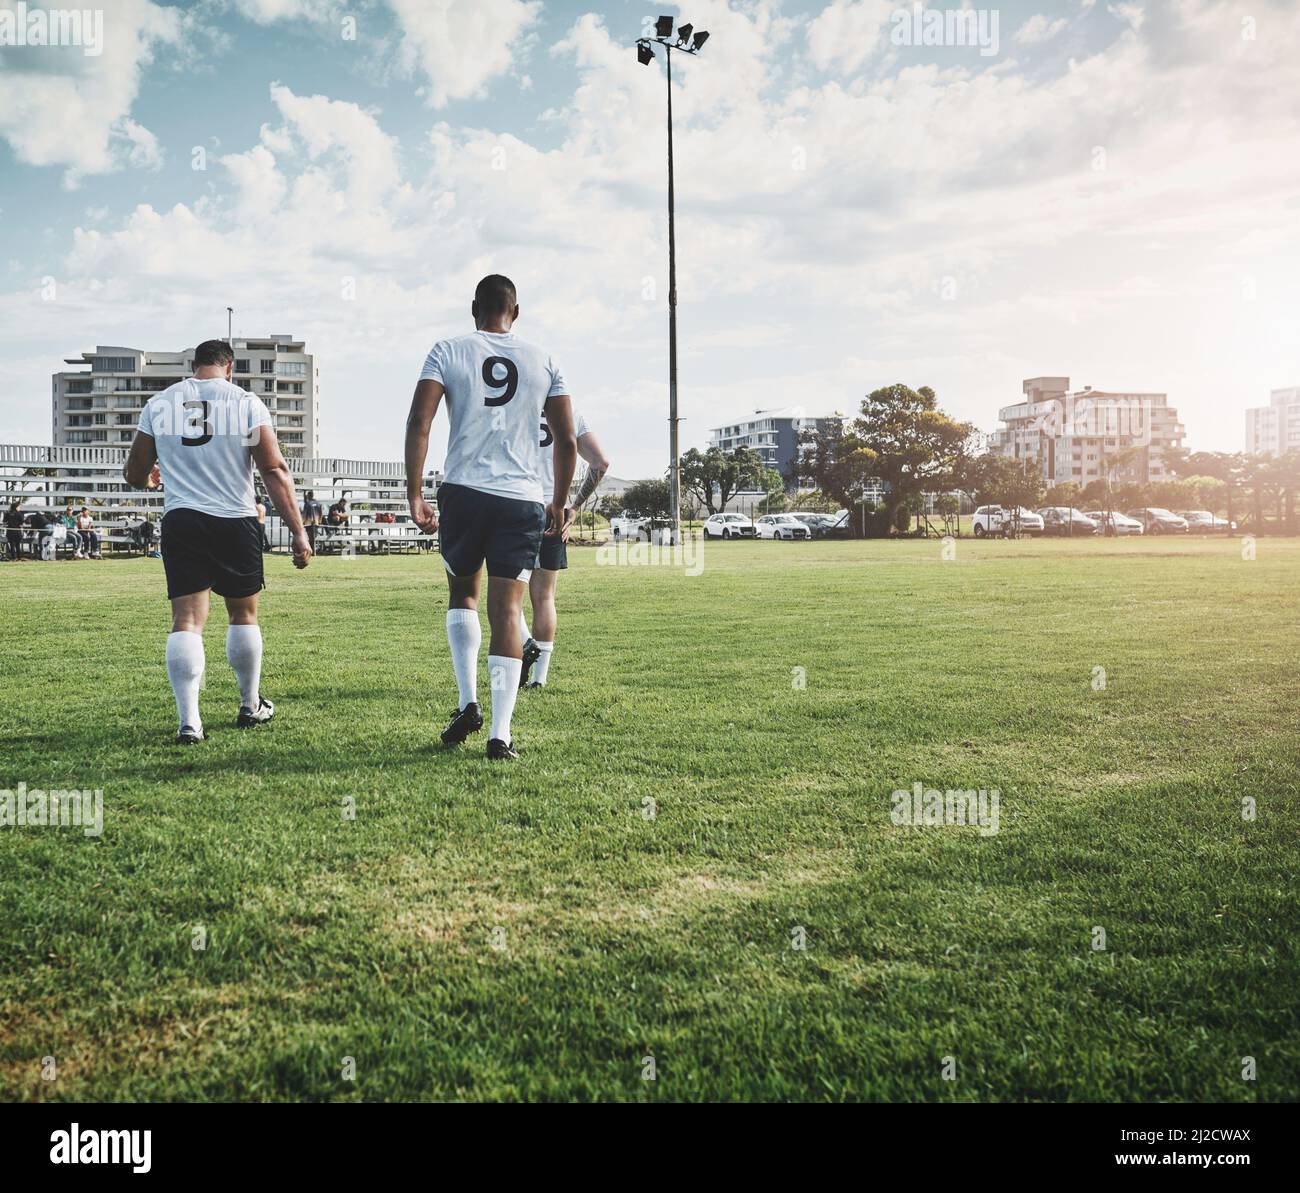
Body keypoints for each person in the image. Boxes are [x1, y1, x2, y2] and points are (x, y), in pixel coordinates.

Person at [404, 273, 576, 761]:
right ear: (515, 312)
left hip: (463, 491)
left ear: (473, 307)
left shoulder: (447, 349)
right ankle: (501, 734)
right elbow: (565, 441)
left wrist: (416, 493)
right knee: (508, 611)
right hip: (521, 496)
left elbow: (420, 420)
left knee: (462, 592)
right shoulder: (545, 359)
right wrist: (558, 500)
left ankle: (467, 701)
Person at [122, 338, 312, 744]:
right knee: (243, 615)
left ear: (195, 367)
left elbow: (134, 472)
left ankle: (190, 722)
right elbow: (274, 470)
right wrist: (298, 531)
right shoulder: (245, 402)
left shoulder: (160, 403)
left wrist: (149, 478)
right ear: (230, 368)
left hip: (184, 518)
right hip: (235, 518)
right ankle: (249, 705)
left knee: (186, 620)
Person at [519, 409, 609, 689]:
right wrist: (574, 506)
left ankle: (525, 642)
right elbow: (600, 463)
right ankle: (539, 679)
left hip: (517, 504)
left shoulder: (515, 402)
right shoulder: (572, 413)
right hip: (553, 509)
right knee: (545, 598)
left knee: (506, 596)